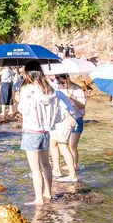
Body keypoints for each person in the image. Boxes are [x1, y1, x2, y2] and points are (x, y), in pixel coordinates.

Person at [15, 61, 76, 204]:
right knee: (46, 164)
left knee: (35, 168)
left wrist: (18, 100)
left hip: (31, 131)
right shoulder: (49, 88)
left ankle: (38, 199)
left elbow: (23, 110)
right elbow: (59, 111)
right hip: (45, 132)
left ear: (28, 73)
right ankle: (48, 193)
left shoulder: (26, 89)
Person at [51, 73, 86, 183]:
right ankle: (64, 167)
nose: (62, 85)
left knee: (72, 145)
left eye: (63, 82)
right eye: (60, 83)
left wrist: (71, 98)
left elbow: (83, 105)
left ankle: (73, 167)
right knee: (57, 143)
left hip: (76, 118)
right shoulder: (60, 89)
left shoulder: (77, 89)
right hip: (62, 120)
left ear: (68, 78)